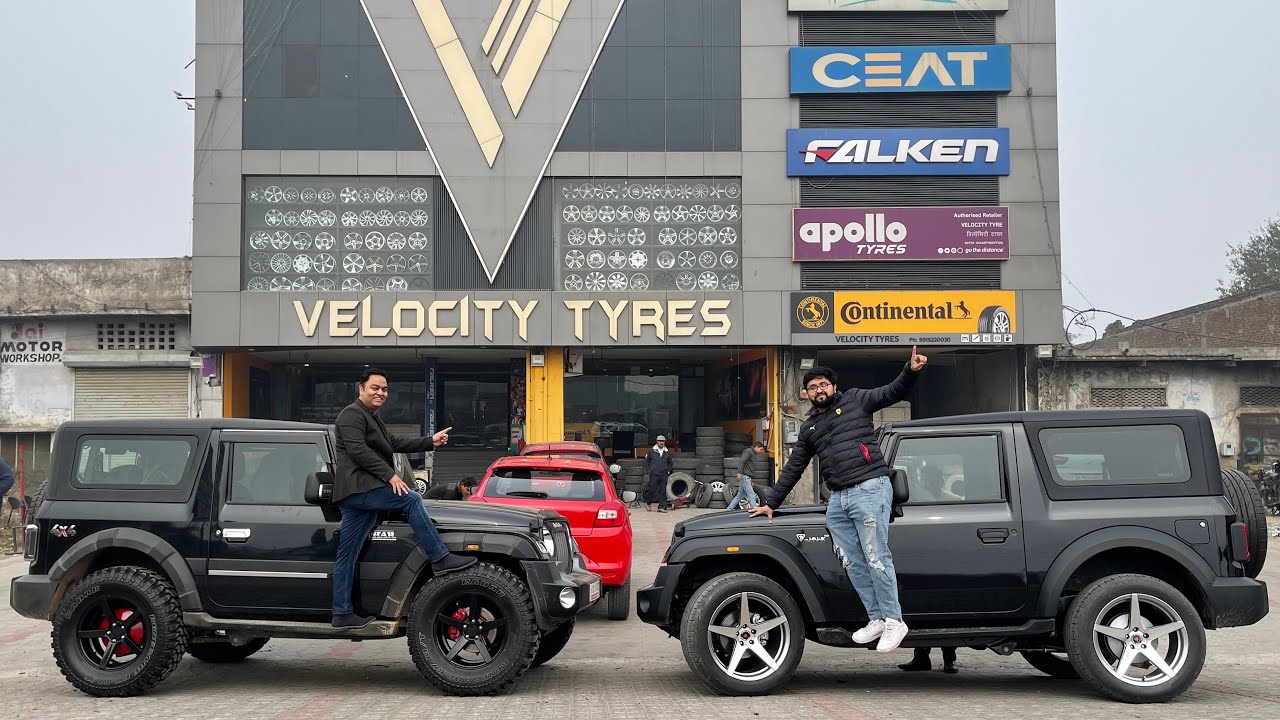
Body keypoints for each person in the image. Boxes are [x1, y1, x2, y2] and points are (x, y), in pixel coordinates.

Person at [749, 346, 928, 653]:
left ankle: (895, 620)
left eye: (823, 385)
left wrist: (910, 370)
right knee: (853, 562)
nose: (819, 390)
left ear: (834, 386)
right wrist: (772, 502)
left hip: (870, 488)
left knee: (875, 556)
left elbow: (892, 392)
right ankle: (877, 619)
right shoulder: (809, 428)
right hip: (839, 499)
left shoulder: (857, 400)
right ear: (807, 394)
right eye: (812, 387)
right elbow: (795, 466)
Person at [331, 368, 476, 629]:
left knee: (347, 555)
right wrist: (390, 475)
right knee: (410, 499)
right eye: (375, 387)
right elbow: (358, 450)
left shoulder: (372, 417)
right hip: (359, 489)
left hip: (359, 494)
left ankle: (342, 613)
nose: (381, 393)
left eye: (384, 389)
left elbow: (394, 443)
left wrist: (430, 440)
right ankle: (440, 557)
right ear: (361, 389)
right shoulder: (351, 414)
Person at [728, 442, 765, 510]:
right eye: (760, 449)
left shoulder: (752, 453)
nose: (761, 451)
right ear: (756, 447)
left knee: (739, 496)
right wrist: (739, 473)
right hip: (745, 477)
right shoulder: (748, 452)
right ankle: (756, 510)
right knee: (752, 495)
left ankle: (728, 510)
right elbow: (742, 461)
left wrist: (750, 480)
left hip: (746, 477)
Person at [644, 434, 674, 513]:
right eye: (660, 441)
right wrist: (648, 470)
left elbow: (670, 463)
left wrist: (668, 470)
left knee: (662, 490)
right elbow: (647, 461)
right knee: (652, 489)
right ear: (657, 442)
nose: (661, 442)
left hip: (664, 474)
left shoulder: (667, 452)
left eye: (663, 441)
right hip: (654, 473)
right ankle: (648, 503)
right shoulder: (651, 451)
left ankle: (661, 506)